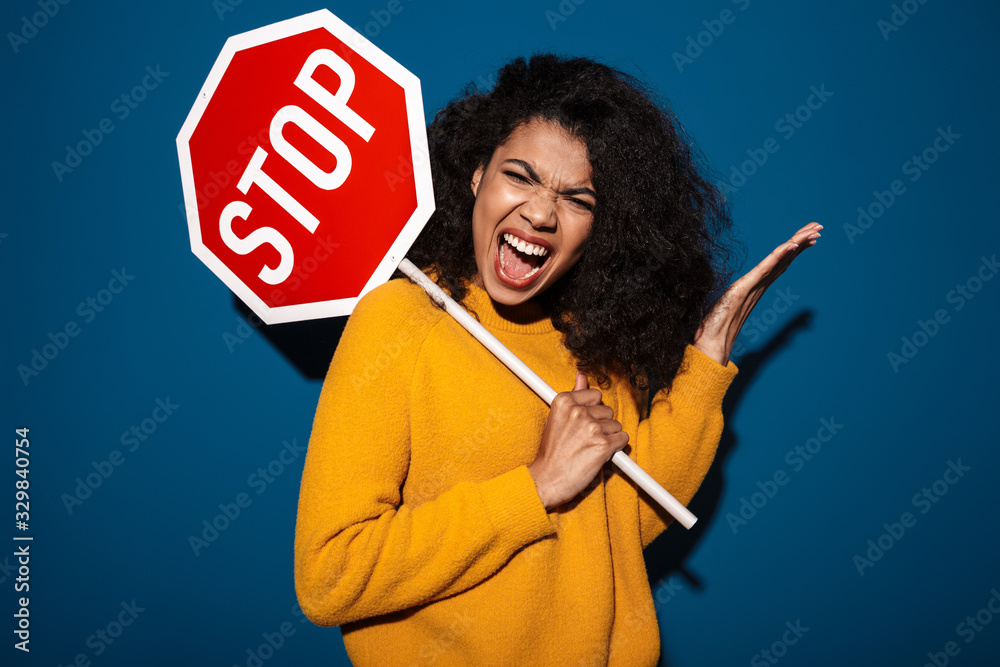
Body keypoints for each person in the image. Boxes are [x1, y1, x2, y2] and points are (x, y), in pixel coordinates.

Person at [294, 54, 821, 666]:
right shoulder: (400, 320)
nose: (541, 213)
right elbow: (332, 573)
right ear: (475, 175)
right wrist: (536, 486)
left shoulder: (591, 339)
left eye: (577, 199)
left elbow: (619, 529)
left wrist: (708, 357)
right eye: (520, 176)